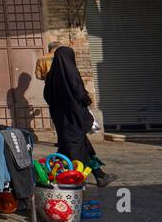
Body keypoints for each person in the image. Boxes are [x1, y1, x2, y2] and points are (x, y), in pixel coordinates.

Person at [43, 45, 114, 187]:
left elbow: (47, 96)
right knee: (74, 149)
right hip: (75, 118)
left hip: (61, 120)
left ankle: (100, 175)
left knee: (79, 146)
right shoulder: (72, 74)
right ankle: (73, 179)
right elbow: (80, 94)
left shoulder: (51, 76)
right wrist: (86, 102)